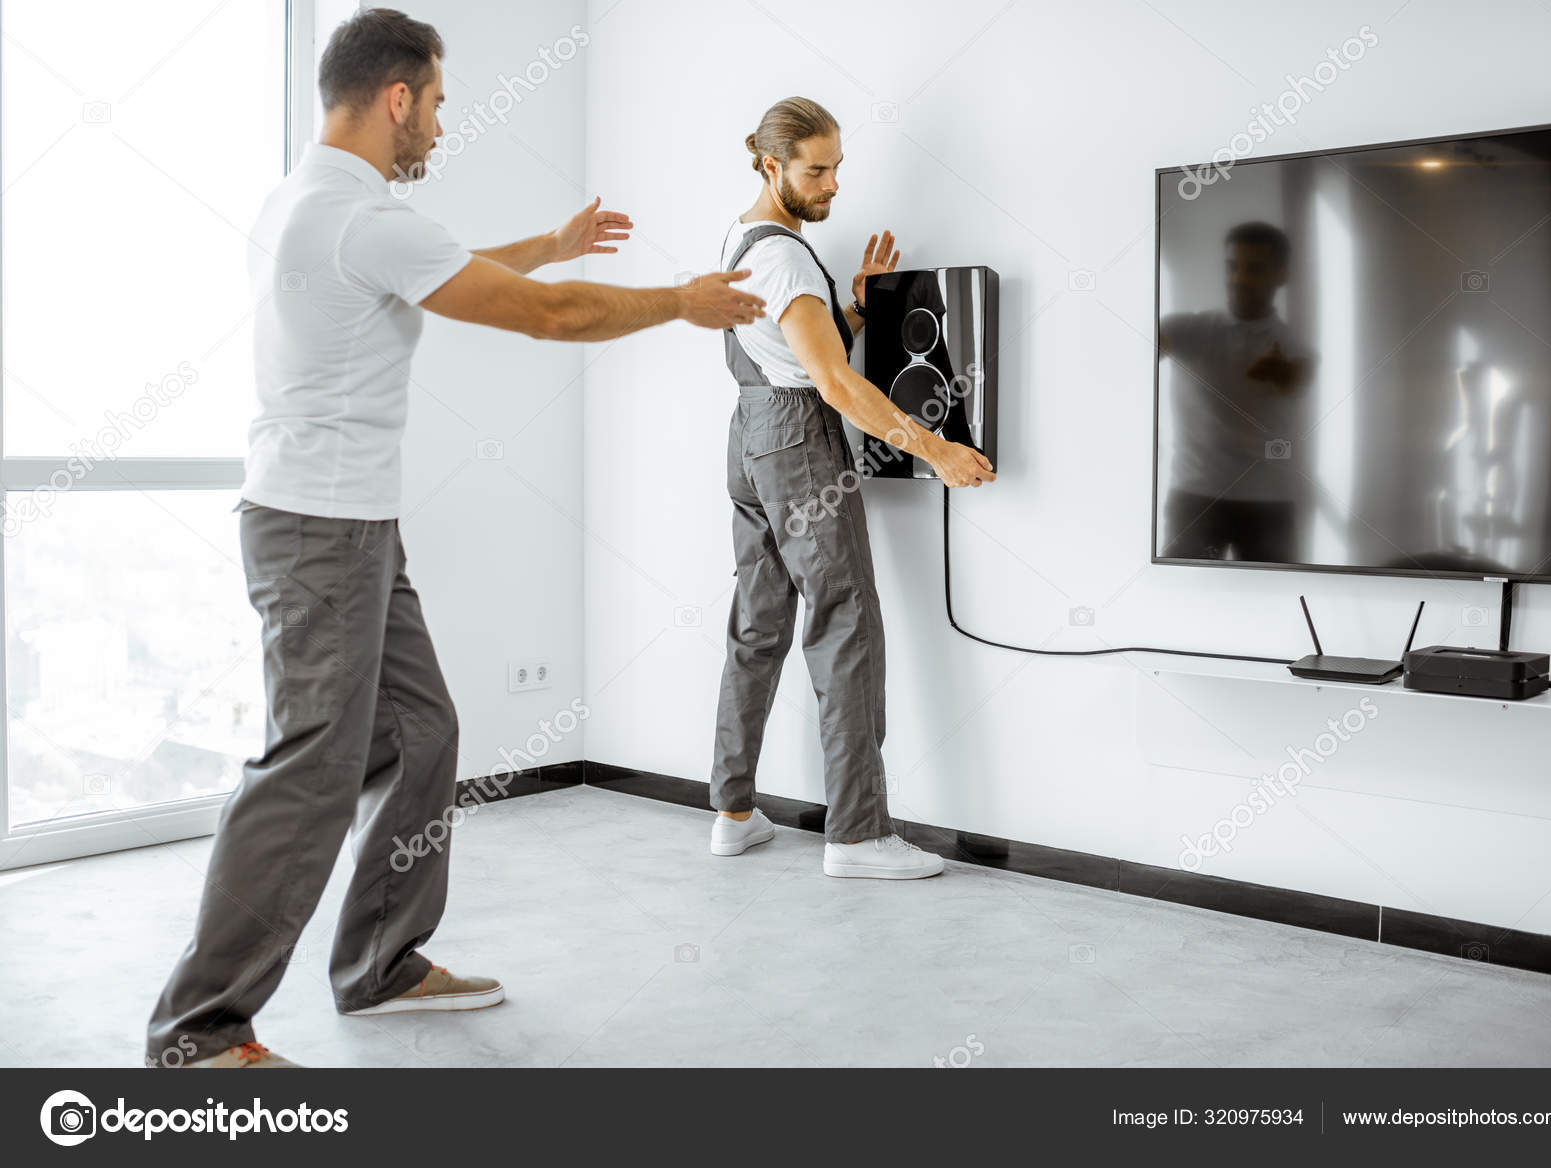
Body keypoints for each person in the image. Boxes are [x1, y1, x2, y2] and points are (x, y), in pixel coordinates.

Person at [147, 8, 762, 1069]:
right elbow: (544, 316)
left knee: (422, 732)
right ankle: (199, 1031)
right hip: (320, 531)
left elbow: (442, 265)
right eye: (435, 101)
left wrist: (551, 246)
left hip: (343, 526)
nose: (438, 122)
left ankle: (379, 964)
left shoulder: (315, 203)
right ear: (397, 98)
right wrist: (679, 301)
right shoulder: (357, 216)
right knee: (311, 770)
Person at [708, 97, 993, 879]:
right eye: (816, 170)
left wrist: (859, 308)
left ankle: (733, 814)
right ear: (772, 165)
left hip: (752, 434)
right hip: (799, 441)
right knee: (846, 625)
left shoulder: (741, 237)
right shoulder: (788, 259)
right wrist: (936, 448)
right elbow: (832, 383)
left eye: (837, 167)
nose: (833, 184)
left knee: (757, 626)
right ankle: (859, 837)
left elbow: (791, 347)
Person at [1158, 220, 1317, 564]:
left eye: (1254, 269)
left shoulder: (1294, 346)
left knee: (1275, 595)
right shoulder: (1187, 329)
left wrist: (1283, 372)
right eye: (1232, 266)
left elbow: (1297, 378)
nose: (1239, 278)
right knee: (1185, 592)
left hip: (1268, 502)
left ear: (1281, 275)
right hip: (1195, 497)